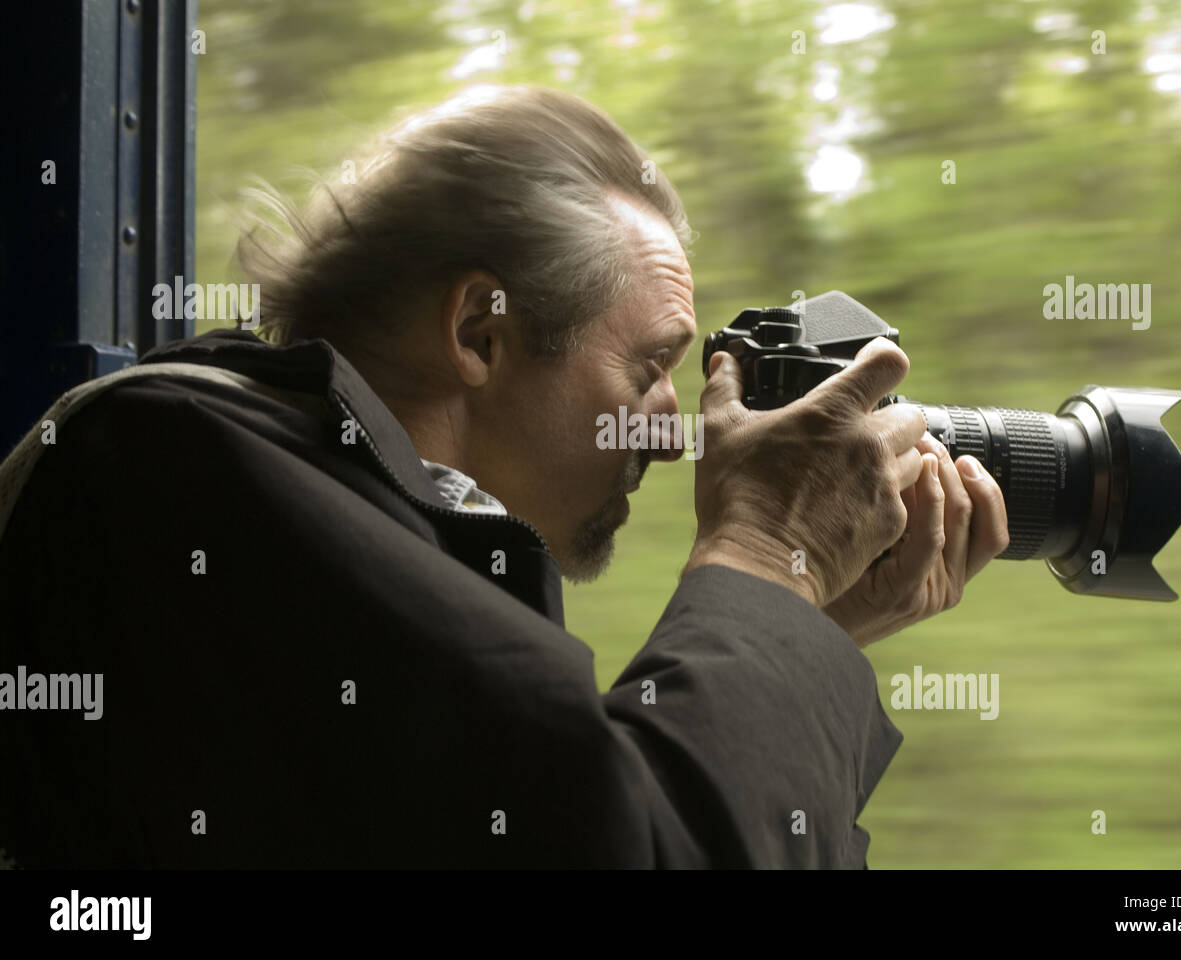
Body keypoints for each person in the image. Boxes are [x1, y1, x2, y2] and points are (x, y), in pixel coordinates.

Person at [0, 86, 1007, 868]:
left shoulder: (316, 505)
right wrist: (761, 563)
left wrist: (804, 631)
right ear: (481, 332)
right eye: (651, 368)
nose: (671, 437)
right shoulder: (175, 468)